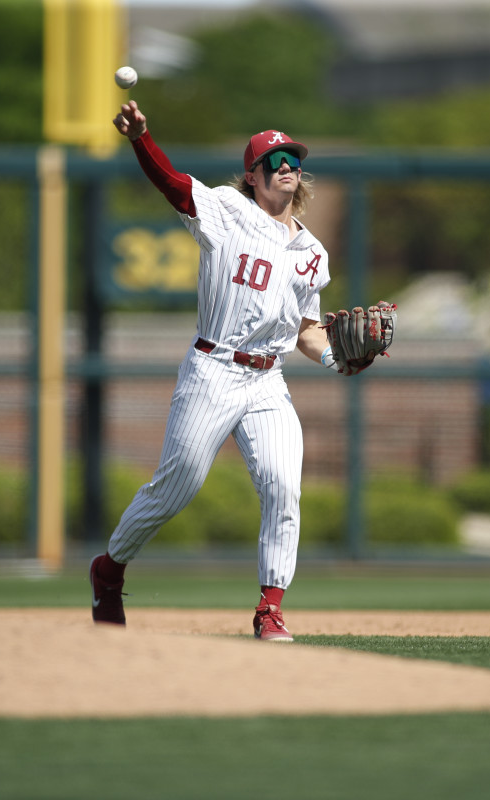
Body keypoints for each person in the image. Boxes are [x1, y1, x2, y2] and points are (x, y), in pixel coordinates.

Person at [91, 100, 344, 641]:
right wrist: (141, 138)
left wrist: (335, 358)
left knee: (282, 484)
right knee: (176, 487)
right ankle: (109, 569)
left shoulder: (313, 252)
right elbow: (173, 184)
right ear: (251, 176)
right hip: (214, 368)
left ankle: (270, 607)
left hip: (268, 379)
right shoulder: (226, 209)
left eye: (291, 159)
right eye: (272, 159)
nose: (285, 166)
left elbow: (306, 330)